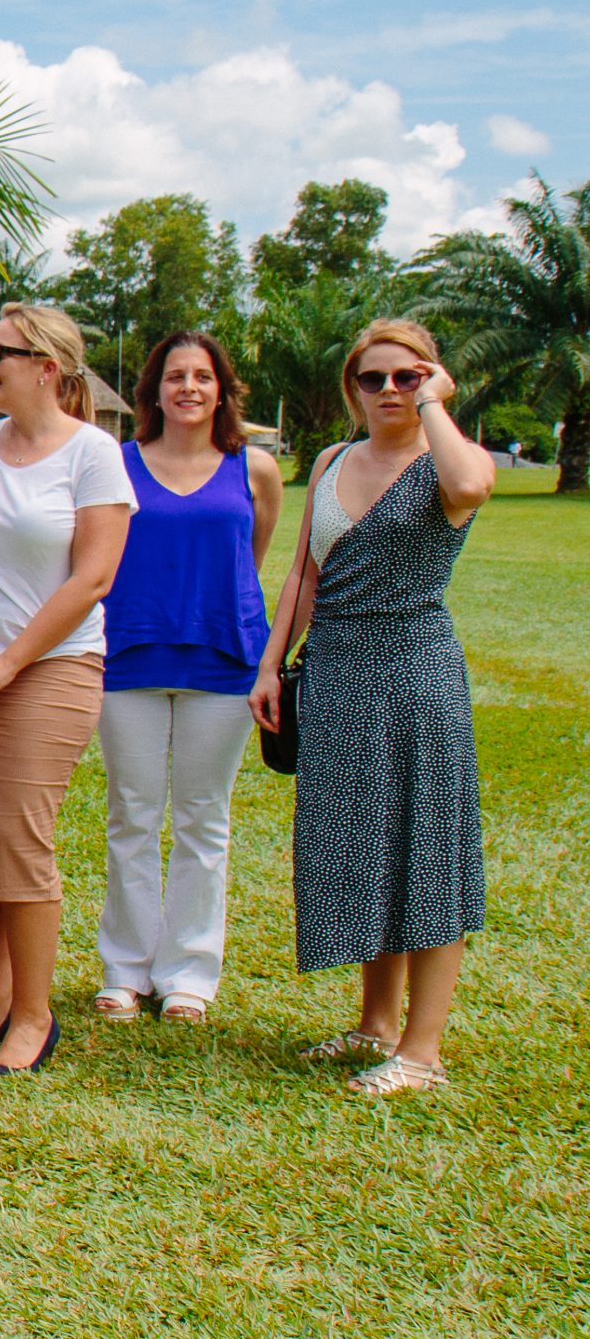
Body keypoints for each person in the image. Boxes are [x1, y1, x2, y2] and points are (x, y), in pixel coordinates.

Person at [254, 319, 494, 1097]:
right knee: (363, 845)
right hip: (336, 669)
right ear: (352, 387)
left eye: (408, 375)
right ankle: (376, 1023)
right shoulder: (332, 459)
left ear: (433, 380)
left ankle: (422, 1051)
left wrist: (435, 405)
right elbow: (305, 572)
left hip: (415, 669)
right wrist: (273, 662)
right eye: (373, 377)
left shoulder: (450, 459)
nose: (390, 388)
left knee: (426, 851)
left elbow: (469, 490)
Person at [0, 304, 133, 1075]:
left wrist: (7, 663)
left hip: (52, 670)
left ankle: (35, 1015)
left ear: (47, 368)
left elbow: (93, 577)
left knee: (19, 838)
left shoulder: (93, 455)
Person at [93, 332, 281, 1025]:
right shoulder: (118, 463)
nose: (189, 388)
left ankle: (188, 977)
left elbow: (251, 554)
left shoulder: (254, 468)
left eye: (203, 376)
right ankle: (126, 970)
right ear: (154, 389)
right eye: (176, 376)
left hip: (223, 661)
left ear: (222, 389)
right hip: (130, 658)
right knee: (132, 815)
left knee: (204, 820)